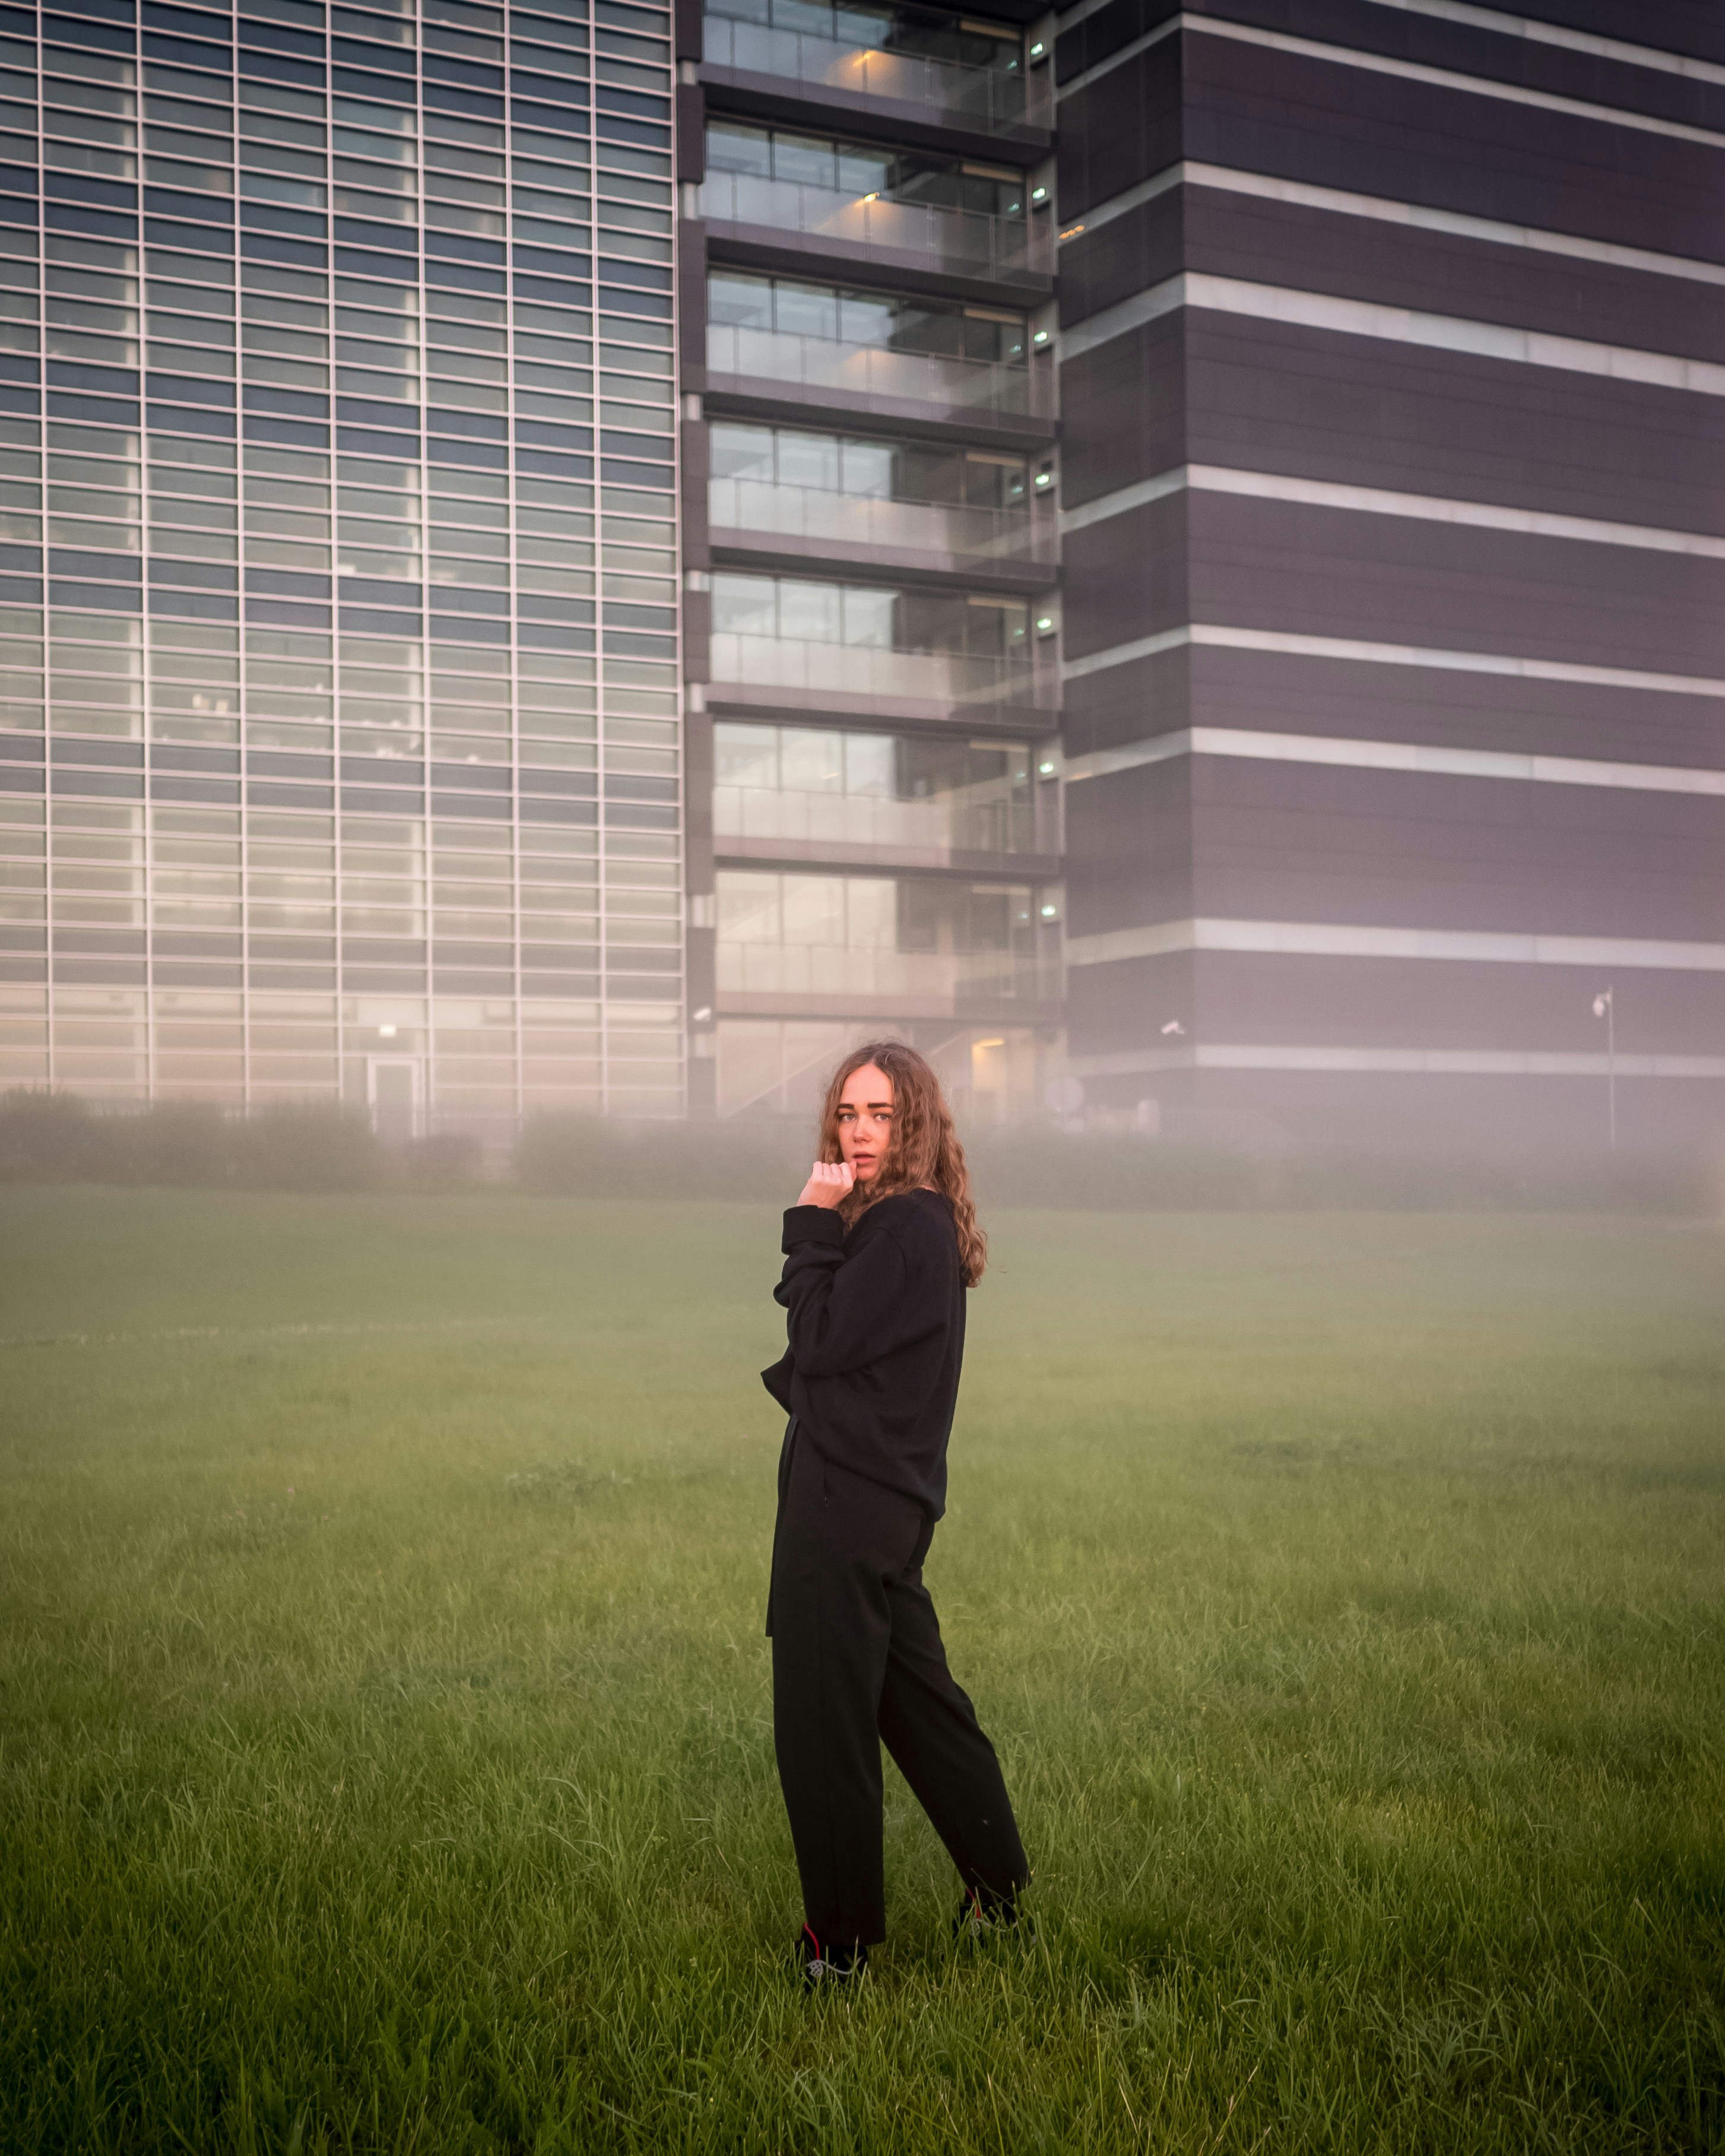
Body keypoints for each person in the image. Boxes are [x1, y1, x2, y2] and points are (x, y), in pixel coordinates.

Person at [762, 1039, 1030, 1988]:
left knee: (822, 1724)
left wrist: (809, 1220)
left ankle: (836, 1950)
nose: (860, 1131)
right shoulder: (919, 1223)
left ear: (915, 1122)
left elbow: (817, 1336)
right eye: (847, 1113)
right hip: (885, 1506)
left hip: (843, 1508)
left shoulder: (896, 1227)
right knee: (917, 1708)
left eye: (880, 1114)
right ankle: (1000, 1897)